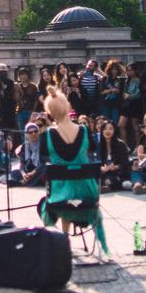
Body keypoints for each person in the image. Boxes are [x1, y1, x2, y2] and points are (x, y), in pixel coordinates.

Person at [39, 86, 108, 254]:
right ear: (68, 107)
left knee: (49, 201)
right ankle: (101, 246)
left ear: (50, 112)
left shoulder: (47, 135)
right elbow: (92, 149)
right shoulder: (84, 131)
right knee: (73, 190)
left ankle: (63, 240)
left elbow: (43, 156)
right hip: (87, 195)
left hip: (59, 198)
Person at [97, 120, 131, 192]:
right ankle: (104, 186)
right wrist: (102, 168)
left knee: (112, 179)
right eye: (105, 129)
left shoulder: (121, 145)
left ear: (115, 131)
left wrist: (115, 167)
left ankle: (108, 186)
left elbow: (125, 163)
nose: (107, 131)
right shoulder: (99, 145)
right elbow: (97, 162)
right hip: (104, 173)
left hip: (118, 173)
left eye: (110, 129)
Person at [10, 122, 47, 187]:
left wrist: (33, 172)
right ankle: (25, 180)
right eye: (30, 132)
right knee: (14, 172)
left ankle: (24, 182)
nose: (33, 134)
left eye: (35, 131)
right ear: (26, 134)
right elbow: (22, 163)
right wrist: (23, 173)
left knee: (45, 169)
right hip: (29, 170)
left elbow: (44, 162)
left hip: (39, 169)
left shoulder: (43, 144)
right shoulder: (25, 146)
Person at [119, 63, 143, 147]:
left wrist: (130, 96)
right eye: (128, 70)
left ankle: (138, 145)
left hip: (135, 104)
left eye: (131, 70)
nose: (129, 72)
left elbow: (139, 93)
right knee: (121, 125)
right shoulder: (127, 80)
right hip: (126, 104)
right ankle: (124, 145)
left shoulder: (138, 80)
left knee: (135, 125)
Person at [99, 60, 124, 124]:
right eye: (113, 69)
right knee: (106, 123)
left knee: (115, 123)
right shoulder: (105, 79)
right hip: (105, 104)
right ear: (109, 70)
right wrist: (112, 90)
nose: (114, 71)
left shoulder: (120, 80)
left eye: (116, 69)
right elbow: (102, 92)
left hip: (116, 104)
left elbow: (121, 92)